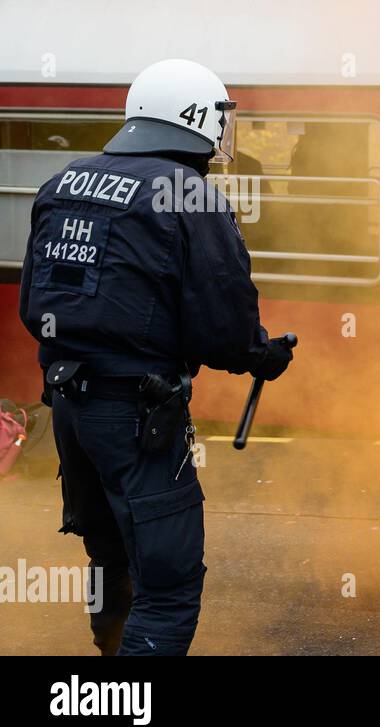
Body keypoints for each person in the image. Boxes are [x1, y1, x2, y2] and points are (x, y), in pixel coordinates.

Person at [17, 58, 294, 655]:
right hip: (138, 416)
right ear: (195, 117)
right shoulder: (189, 195)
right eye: (220, 119)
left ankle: (109, 654)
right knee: (167, 588)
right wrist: (261, 355)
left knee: (107, 553)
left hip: (68, 406)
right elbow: (224, 324)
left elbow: (34, 299)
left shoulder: (63, 183)